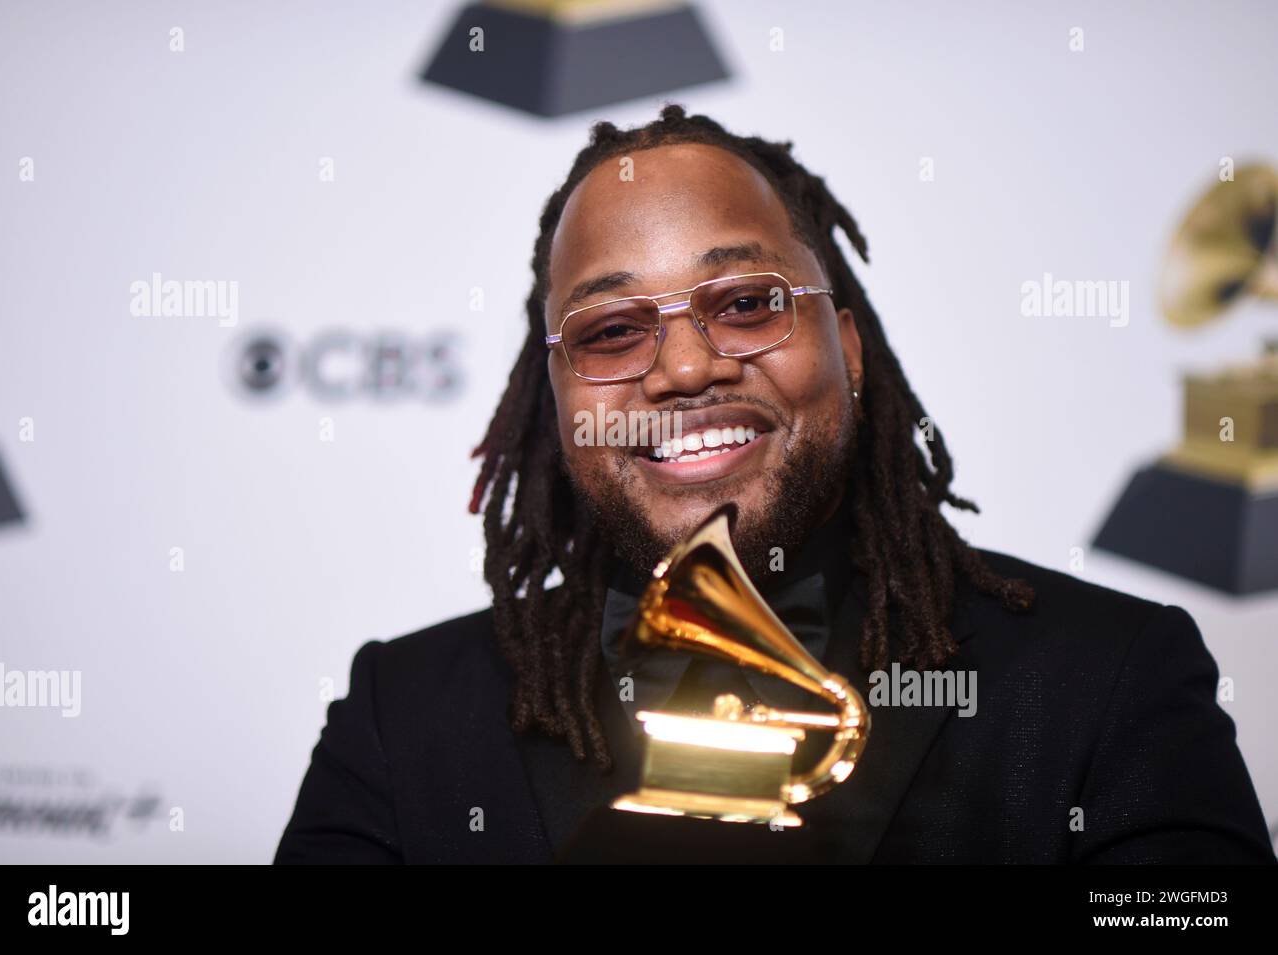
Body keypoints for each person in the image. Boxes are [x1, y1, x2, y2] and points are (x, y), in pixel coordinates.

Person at [274, 105, 1274, 864]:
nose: (681, 368)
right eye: (613, 331)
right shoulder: (398, 719)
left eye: (746, 303)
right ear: (557, 395)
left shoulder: (1111, 679)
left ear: (845, 342)